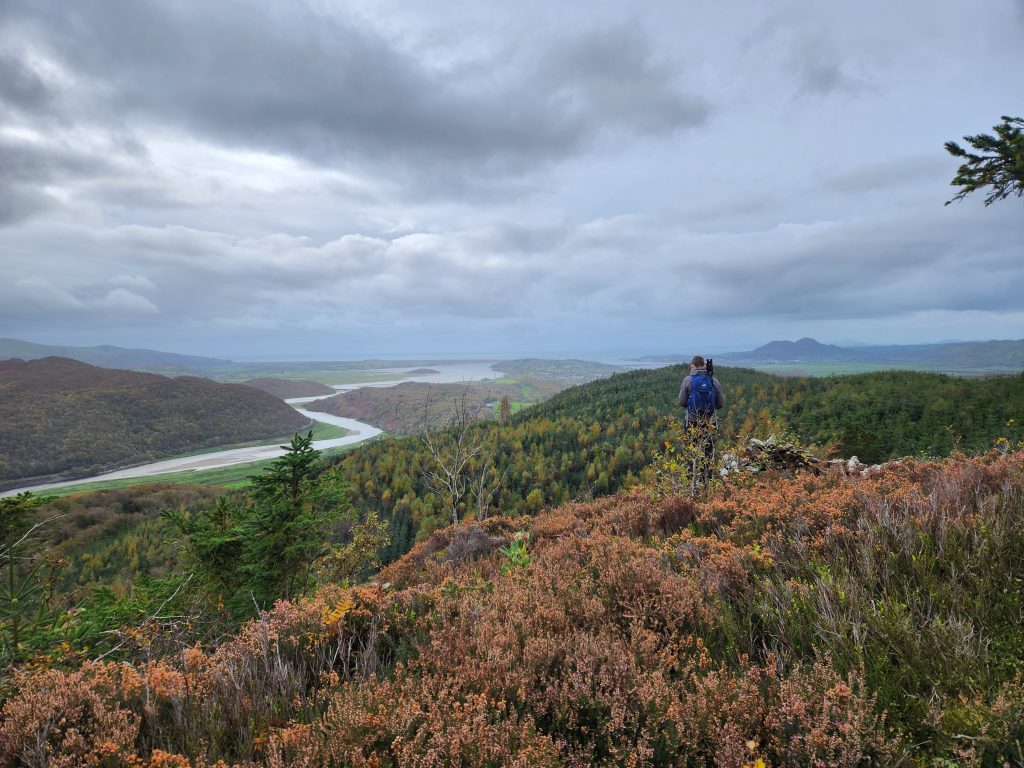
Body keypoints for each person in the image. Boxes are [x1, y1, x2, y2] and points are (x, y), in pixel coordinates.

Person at [678, 355, 724, 485]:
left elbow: (682, 402)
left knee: (690, 452)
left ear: (692, 366)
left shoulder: (687, 380)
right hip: (709, 423)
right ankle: (706, 483)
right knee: (707, 453)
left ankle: (690, 483)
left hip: (691, 422)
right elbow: (720, 404)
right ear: (704, 365)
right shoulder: (714, 381)